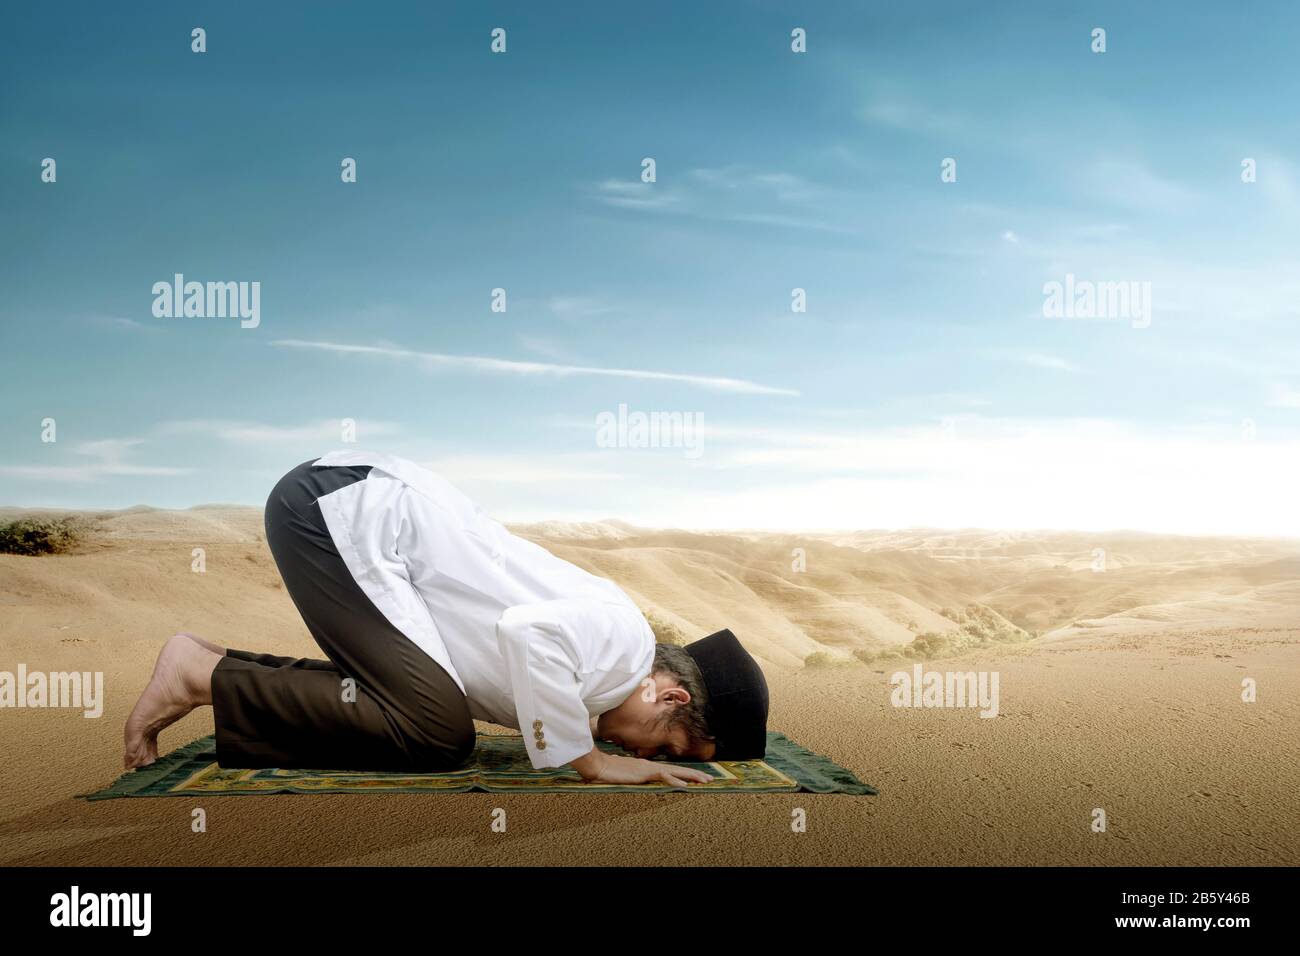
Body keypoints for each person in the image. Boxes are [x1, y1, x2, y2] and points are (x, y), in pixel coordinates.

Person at [123, 451, 770, 787]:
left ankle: (211, 671)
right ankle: (198, 677)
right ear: (670, 694)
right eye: (661, 747)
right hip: (338, 513)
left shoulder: (599, 672)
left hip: (344, 515)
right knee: (438, 730)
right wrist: (589, 764)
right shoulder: (624, 645)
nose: (635, 753)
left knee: (429, 713)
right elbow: (528, 633)